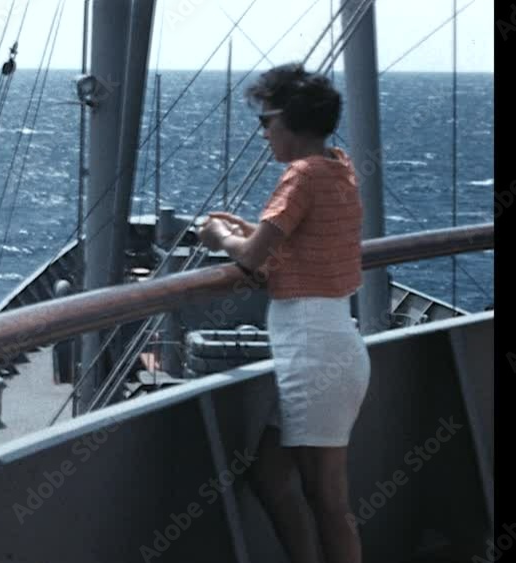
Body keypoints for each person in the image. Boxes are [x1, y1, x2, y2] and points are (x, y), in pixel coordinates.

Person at [198, 62, 371, 563]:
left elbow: (252, 258)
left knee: (329, 502)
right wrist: (252, 230)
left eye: (265, 121)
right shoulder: (337, 168)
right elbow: (301, 240)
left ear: (289, 121)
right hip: (325, 349)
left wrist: (221, 237)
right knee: (270, 474)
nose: (264, 133)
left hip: (316, 358)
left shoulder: (300, 176)